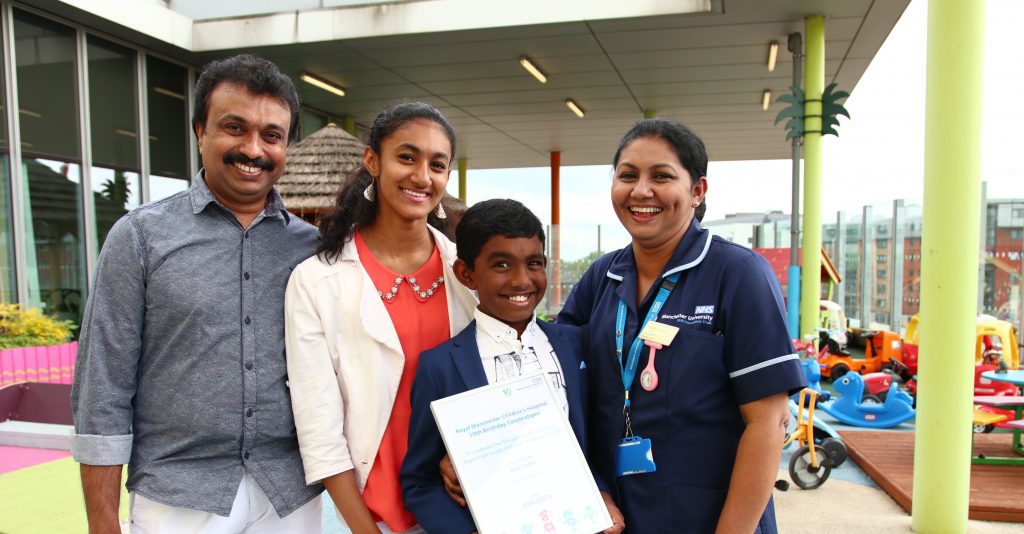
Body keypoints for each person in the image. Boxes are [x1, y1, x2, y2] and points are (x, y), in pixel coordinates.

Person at [70, 54, 323, 532]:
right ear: (200, 131)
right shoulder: (141, 237)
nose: (254, 148)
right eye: (235, 127)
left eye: (272, 135)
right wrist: (101, 521)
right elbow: (103, 385)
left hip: (290, 494)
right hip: (177, 496)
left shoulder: (312, 249)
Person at [557, 118, 806, 533]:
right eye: (627, 175)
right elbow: (548, 369)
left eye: (662, 176)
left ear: (697, 191)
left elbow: (769, 422)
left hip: (706, 518)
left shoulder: (738, 274)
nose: (641, 191)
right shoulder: (603, 277)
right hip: (614, 516)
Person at [285, 102, 478, 534]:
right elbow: (319, 430)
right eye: (407, 157)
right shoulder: (316, 281)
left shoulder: (467, 274)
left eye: (438, 164)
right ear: (373, 161)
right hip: (364, 516)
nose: (422, 176)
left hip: (461, 509)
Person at [399, 199, 625, 534]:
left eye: (533, 263)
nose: (521, 280)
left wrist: (602, 494)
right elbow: (420, 481)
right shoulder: (440, 366)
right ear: (467, 273)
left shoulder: (577, 345)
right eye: (502, 265)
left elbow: (596, 443)